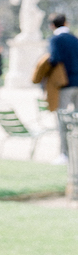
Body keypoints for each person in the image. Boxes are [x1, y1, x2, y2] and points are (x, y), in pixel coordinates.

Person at [45, 13, 78, 159]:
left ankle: (64, 153)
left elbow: (55, 59)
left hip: (65, 84)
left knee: (62, 119)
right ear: (66, 23)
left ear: (52, 25)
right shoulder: (74, 39)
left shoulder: (55, 40)